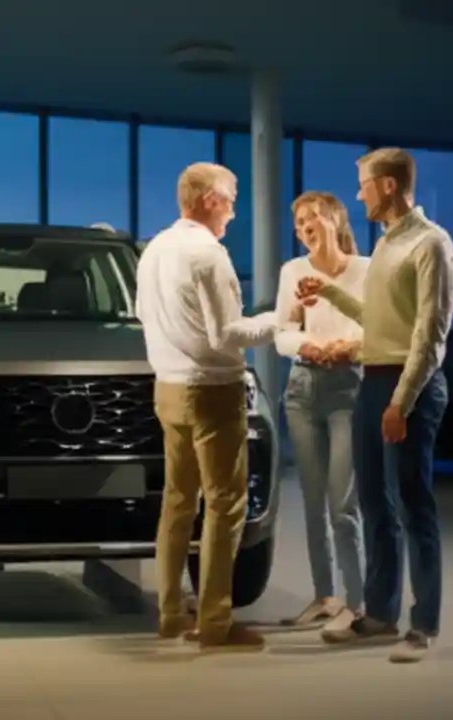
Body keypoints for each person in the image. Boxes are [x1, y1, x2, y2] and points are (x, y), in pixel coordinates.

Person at [296, 147, 453, 663]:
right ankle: (381, 614)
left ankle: (423, 626)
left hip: (409, 386)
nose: (359, 194)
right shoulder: (388, 243)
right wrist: (329, 293)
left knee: (414, 508)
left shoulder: (432, 245)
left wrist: (401, 402)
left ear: (388, 186)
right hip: (373, 381)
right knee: (375, 505)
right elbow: (379, 319)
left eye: (364, 184)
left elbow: (429, 336)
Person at [135, 161, 277, 650]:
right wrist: (281, 320)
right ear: (211, 199)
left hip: (168, 388)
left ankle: (170, 614)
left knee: (177, 503)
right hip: (212, 390)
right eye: (231, 202)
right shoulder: (208, 254)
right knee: (224, 505)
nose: (233, 213)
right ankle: (215, 622)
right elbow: (226, 334)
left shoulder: (154, 250)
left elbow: (143, 315)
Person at [274, 191, 369, 634]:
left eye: (312, 218)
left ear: (335, 219)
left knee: (342, 505)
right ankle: (325, 596)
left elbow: (376, 325)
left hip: (348, 387)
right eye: (299, 223)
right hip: (303, 388)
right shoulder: (293, 271)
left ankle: (358, 603)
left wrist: (348, 347)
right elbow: (282, 332)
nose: (305, 227)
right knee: (313, 503)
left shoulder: (366, 269)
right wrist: (307, 345)